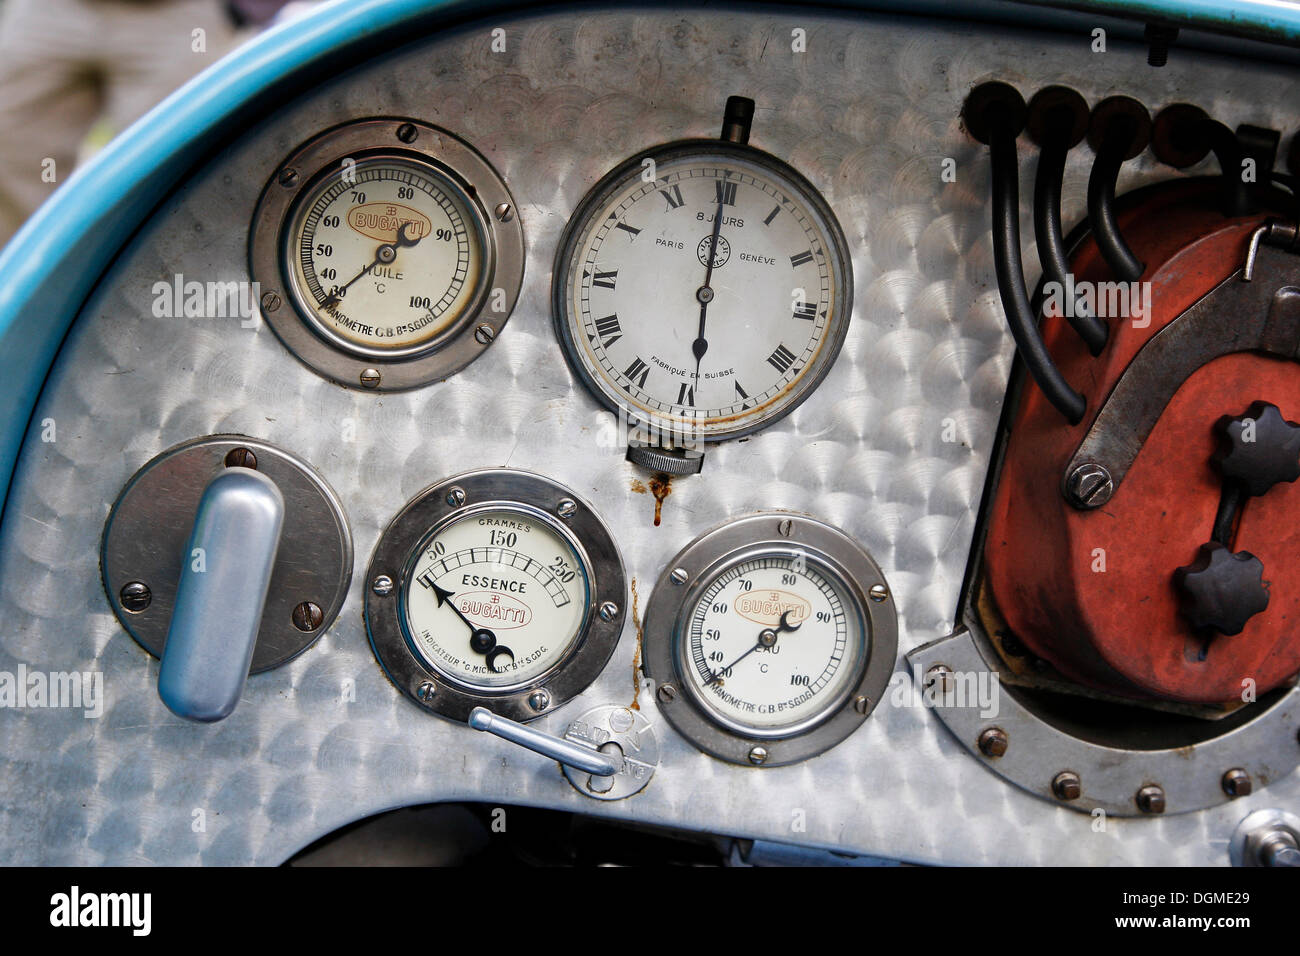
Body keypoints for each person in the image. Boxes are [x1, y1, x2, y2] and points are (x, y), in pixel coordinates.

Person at [0, 0, 244, 247]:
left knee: (165, 172)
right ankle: (19, 274)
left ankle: (142, 280)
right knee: (8, 151)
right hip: (51, 10)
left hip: (180, 17)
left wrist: (248, 8)